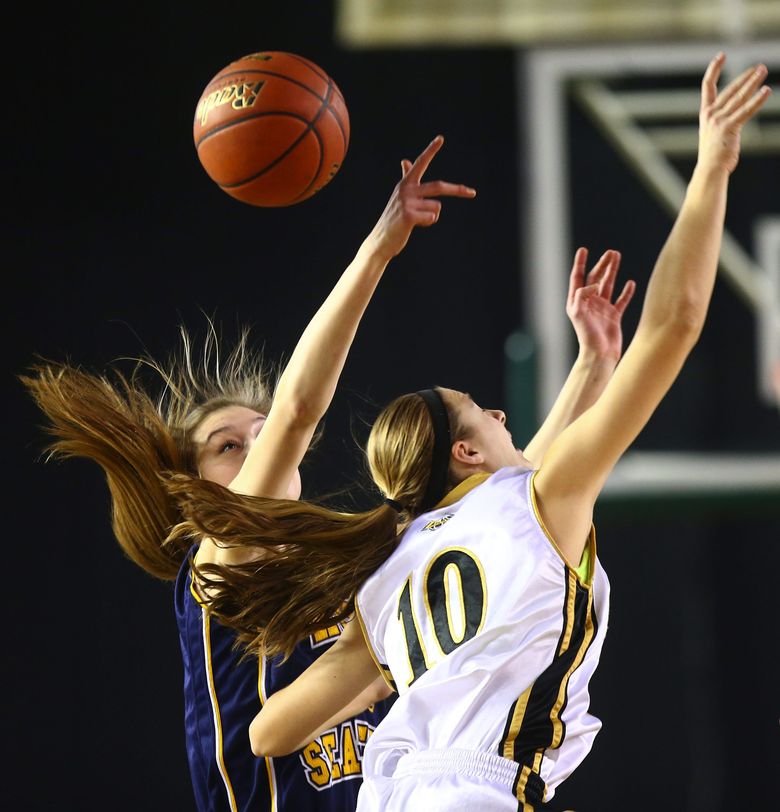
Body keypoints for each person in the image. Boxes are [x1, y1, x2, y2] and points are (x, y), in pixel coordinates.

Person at [166, 54, 771, 811]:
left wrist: (589, 373)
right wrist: (712, 163)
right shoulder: (263, 561)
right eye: (231, 445)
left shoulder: (394, 572)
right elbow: (673, 328)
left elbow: (267, 733)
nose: (508, 415)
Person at [22, 134, 628, 811]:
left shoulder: (365, 564)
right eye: (230, 447)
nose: (260, 447)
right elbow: (299, 408)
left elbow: (515, 506)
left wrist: (590, 372)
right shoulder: (219, 564)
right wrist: (380, 246)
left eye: (260, 434)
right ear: (196, 500)